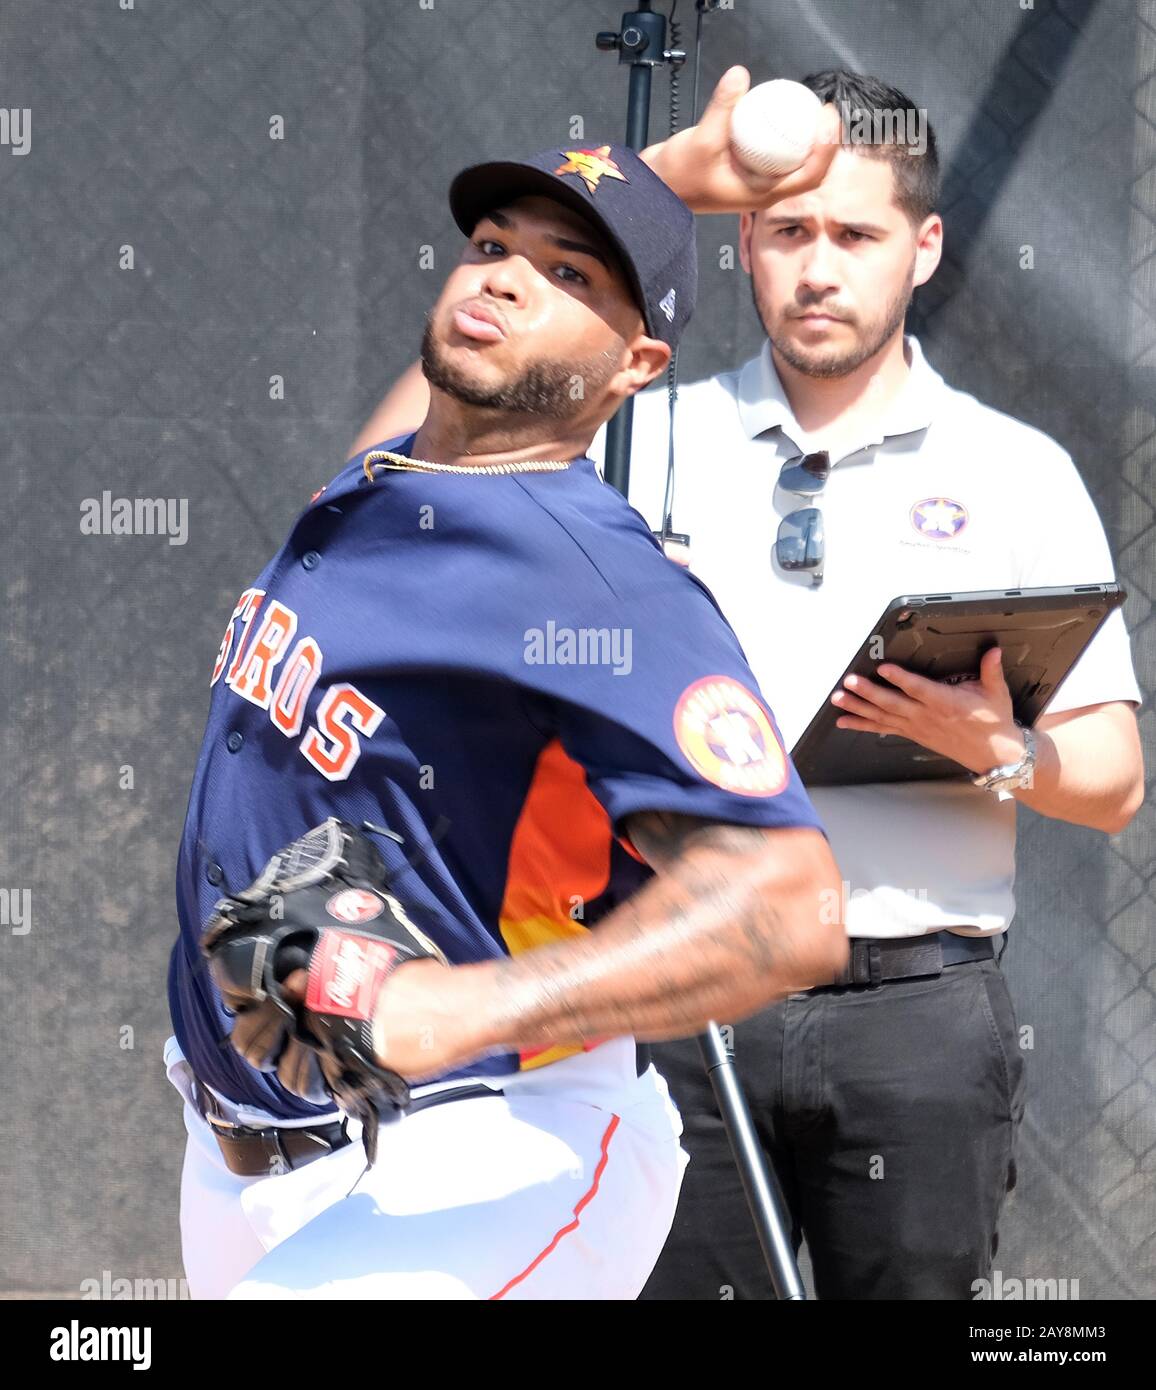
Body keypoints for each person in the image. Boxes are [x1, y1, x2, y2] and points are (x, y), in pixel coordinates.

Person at [356, 69, 1145, 1300]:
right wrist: (656, 180)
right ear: (743, 245)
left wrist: (1001, 747)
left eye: (855, 235)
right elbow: (394, 488)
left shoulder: (1018, 472)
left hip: (915, 1015)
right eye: (787, 233)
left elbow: (1110, 784)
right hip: (672, 1006)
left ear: (923, 247)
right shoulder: (634, 429)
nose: (817, 268)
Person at [163, 130, 849, 1301]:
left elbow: (791, 909)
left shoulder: (593, 578)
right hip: (247, 1148)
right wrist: (657, 183)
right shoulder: (391, 485)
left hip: (483, 1141)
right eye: (490, 246)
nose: (502, 279)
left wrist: (458, 1004)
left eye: (568, 275)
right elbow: (409, 433)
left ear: (635, 365)